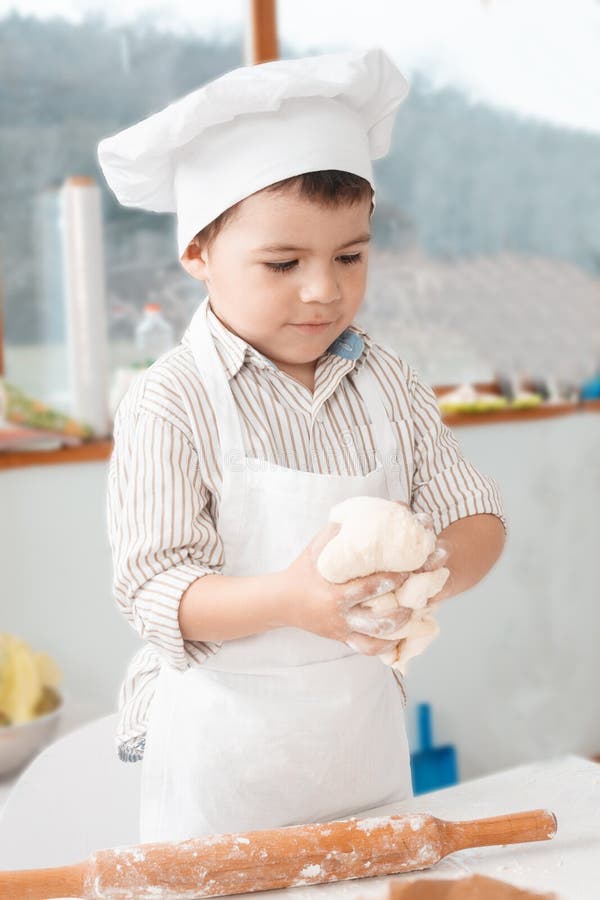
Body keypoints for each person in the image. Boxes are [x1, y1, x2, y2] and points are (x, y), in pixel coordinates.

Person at [99, 47, 506, 843]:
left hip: (361, 758)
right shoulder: (170, 399)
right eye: (283, 262)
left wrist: (431, 575)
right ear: (199, 255)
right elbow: (154, 591)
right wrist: (294, 601)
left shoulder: (386, 380)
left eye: (350, 256)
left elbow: (478, 517)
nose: (324, 289)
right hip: (222, 777)